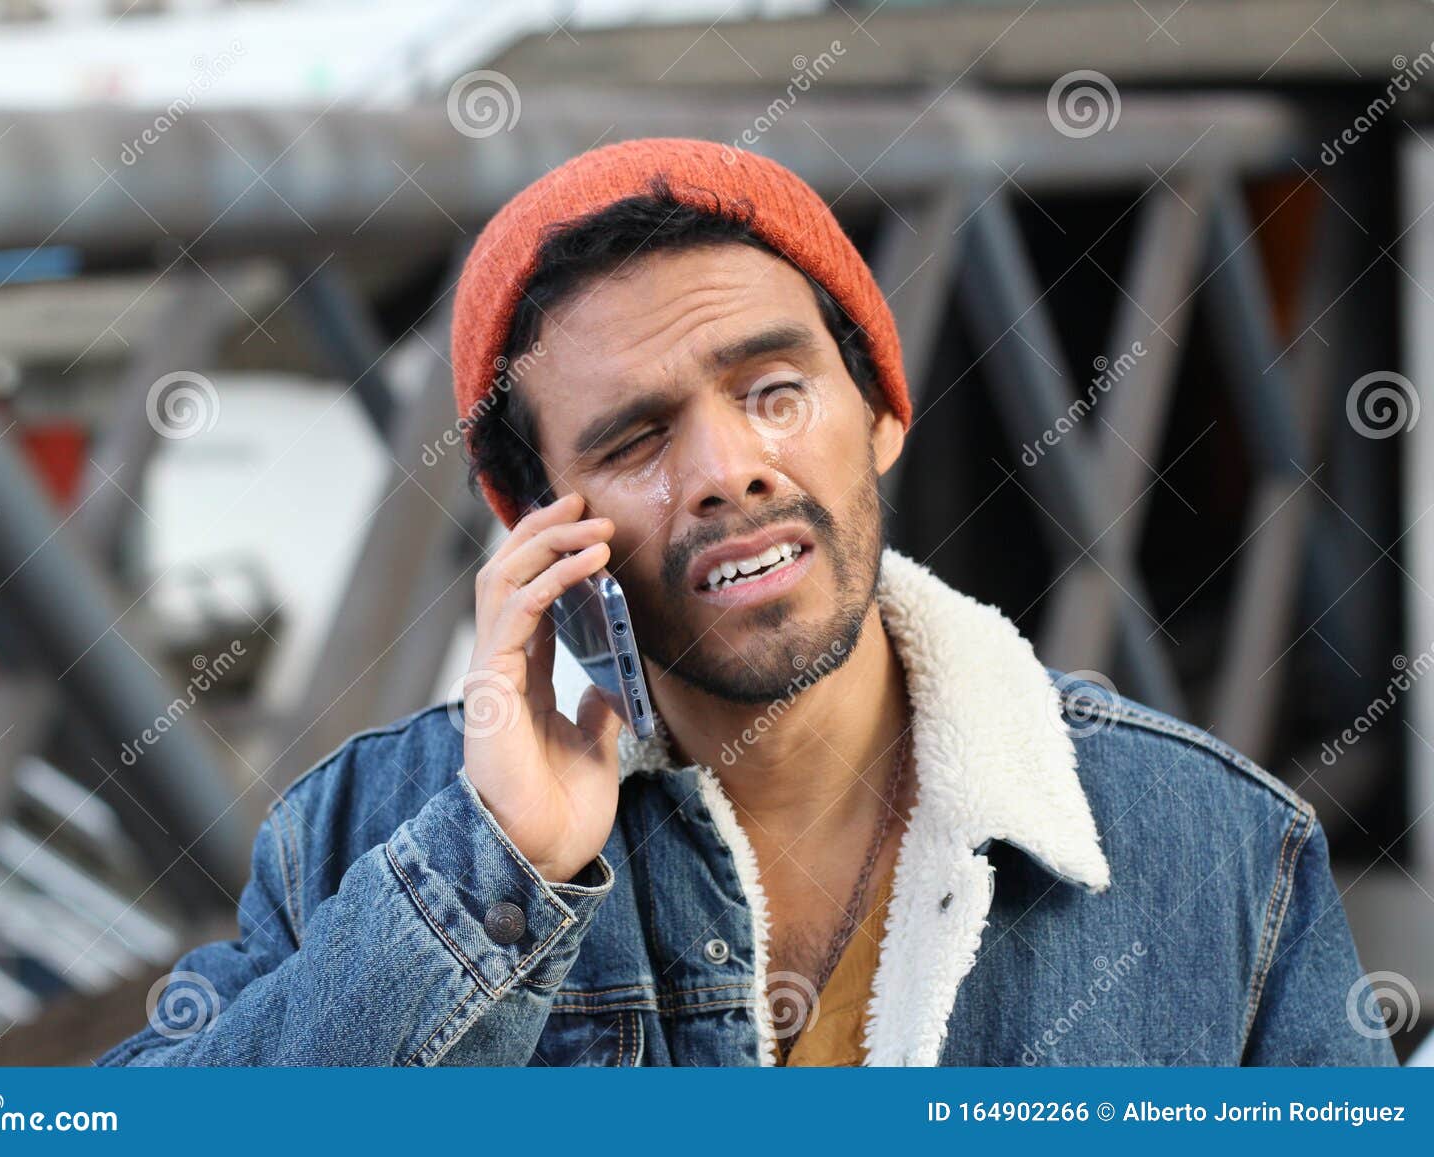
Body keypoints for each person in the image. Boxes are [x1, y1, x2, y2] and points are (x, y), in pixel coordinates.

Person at [98, 138, 1394, 1066]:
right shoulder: (367, 835)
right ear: (541, 527)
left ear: (882, 410)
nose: (729, 471)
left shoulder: (1217, 847)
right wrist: (498, 869)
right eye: (634, 439)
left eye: (775, 392)